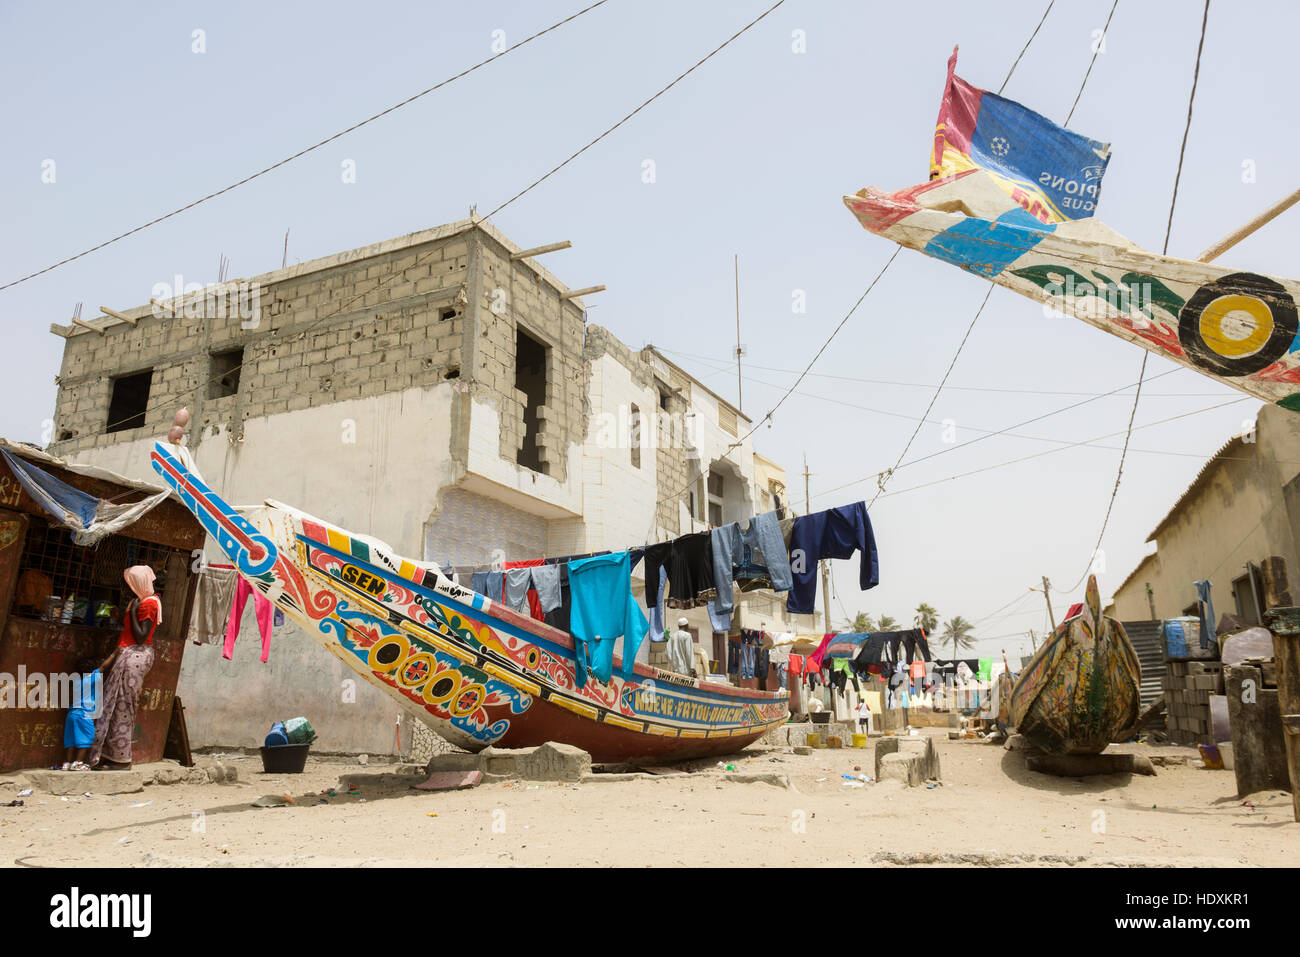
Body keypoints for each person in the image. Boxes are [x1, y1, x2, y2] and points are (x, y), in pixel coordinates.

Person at [90, 566, 162, 770]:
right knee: (112, 706)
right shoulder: (142, 602)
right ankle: (109, 755)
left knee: (122, 708)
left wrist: (130, 613)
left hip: (136, 657)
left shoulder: (148, 604)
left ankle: (122, 759)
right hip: (129, 655)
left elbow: (140, 636)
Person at [60, 652, 113, 771]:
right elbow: (104, 667)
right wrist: (114, 654)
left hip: (72, 713)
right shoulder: (91, 678)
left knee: (71, 739)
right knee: (86, 738)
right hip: (84, 713)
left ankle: (67, 763)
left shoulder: (76, 681)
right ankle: (78, 762)